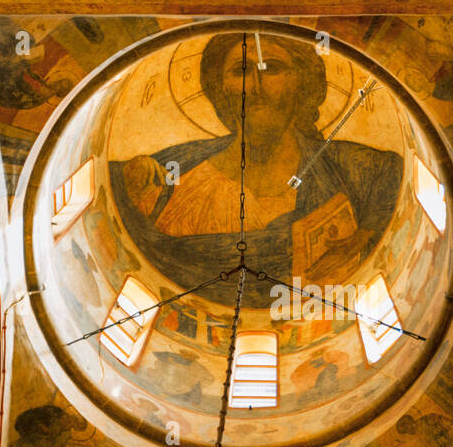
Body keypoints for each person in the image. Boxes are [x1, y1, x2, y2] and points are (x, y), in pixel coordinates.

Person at [111, 34, 402, 305]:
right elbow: (120, 204)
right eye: (241, 71)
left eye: (272, 69)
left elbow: (392, 180)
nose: (256, 87)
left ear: (301, 82)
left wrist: (364, 236)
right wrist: (129, 179)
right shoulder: (178, 163)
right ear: (220, 86)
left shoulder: (350, 165)